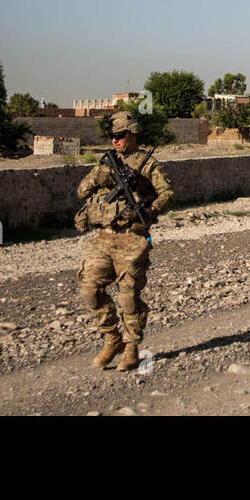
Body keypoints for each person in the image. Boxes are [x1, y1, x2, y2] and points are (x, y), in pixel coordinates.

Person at [75, 111, 174, 370]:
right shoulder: (105, 163)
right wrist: (101, 177)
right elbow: (81, 190)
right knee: (89, 290)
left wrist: (149, 210)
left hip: (133, 237)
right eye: (112, 136)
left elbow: (167, 193)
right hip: (104, 236)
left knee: (128, 297)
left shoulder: (147, 164)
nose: (115, 141)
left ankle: (131, 347)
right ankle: (112, 338)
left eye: (119, 136)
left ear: (132, 134)